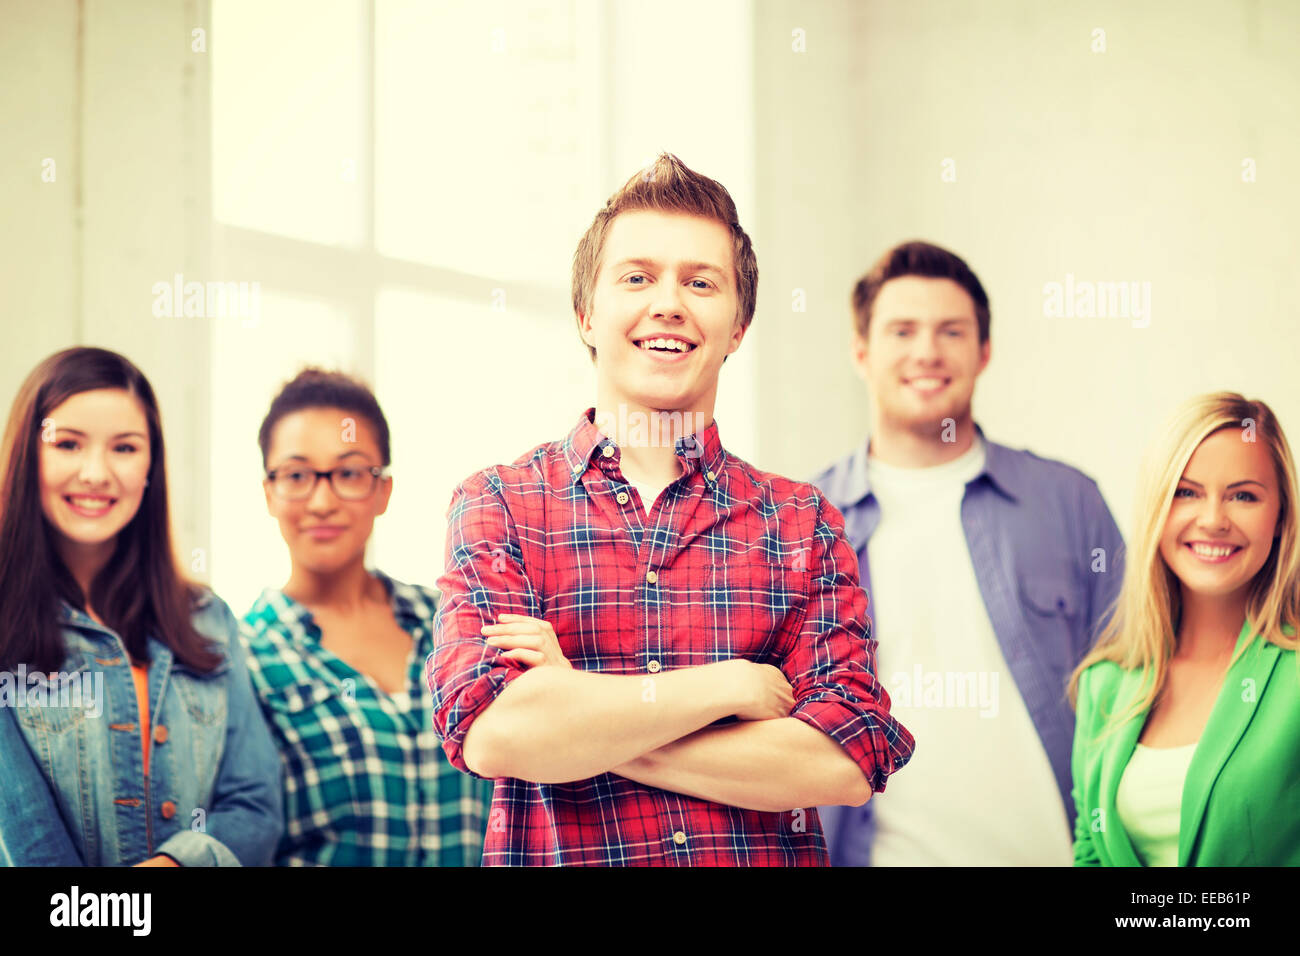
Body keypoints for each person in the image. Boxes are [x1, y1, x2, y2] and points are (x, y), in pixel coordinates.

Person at [427, 152, 915, 866]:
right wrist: (728, 687)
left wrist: (576, 705)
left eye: (701, 282)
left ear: (739, 325)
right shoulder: (498, 505)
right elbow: (496, 733)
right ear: (586, 313)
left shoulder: (802, 523)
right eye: (637, 277)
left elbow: (841, 763)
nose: (668, 303)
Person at [812, 241, 1126, 866]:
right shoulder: (803, 522)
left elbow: (1140, 680)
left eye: (951, 331)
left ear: (984, 351)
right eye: (902, 330)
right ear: (861, 352)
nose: (927, 351)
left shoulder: (1068, 500)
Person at [0, 346, 282, 866]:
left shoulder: (207, 617)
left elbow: (257, 808)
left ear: (151, 464)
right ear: (27, 454)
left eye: (124, 448)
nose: (96, 473)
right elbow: (26, 840)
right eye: (67, 444)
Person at [242, 368, 492, 866]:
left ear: (383, 490)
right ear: (268, 493)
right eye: (296, 475)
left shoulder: (457, 622)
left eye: (350, 473)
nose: (322, 500)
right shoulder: (242, 656)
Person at [1069, 392, 1300, 866]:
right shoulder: (1104, 683)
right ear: (1158, 508)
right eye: (1186, 492)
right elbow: (1090, 849)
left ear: (1280, 517)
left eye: (1243, 495)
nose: (1213, 519)